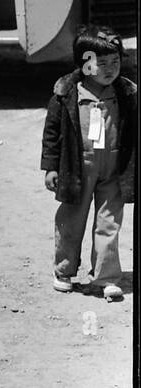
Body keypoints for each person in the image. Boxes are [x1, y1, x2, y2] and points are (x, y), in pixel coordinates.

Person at [41, 25, 136, 301]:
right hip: (77, 167)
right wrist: (50, 167)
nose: (110, 69)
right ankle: (64, 271)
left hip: (114, 168)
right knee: (71, 219)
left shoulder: (127, 94)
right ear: (84, 64)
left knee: (109, 222)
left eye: (115, 62)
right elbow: (52, 134)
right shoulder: (67, 94)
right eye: (101, 63)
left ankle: (106, 278)